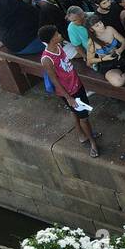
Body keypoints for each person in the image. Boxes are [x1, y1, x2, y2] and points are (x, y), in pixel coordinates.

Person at [38, 25, 100, 158]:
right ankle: (92, 142)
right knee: (84, 117)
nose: (60, 35)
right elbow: (55, 80)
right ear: (52, 39)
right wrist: (69, 98)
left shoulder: (59, 47)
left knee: (76, 113)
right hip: (69, 92)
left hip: (77, 84)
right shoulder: (46, 59)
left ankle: (81, 135)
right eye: (57, 34)